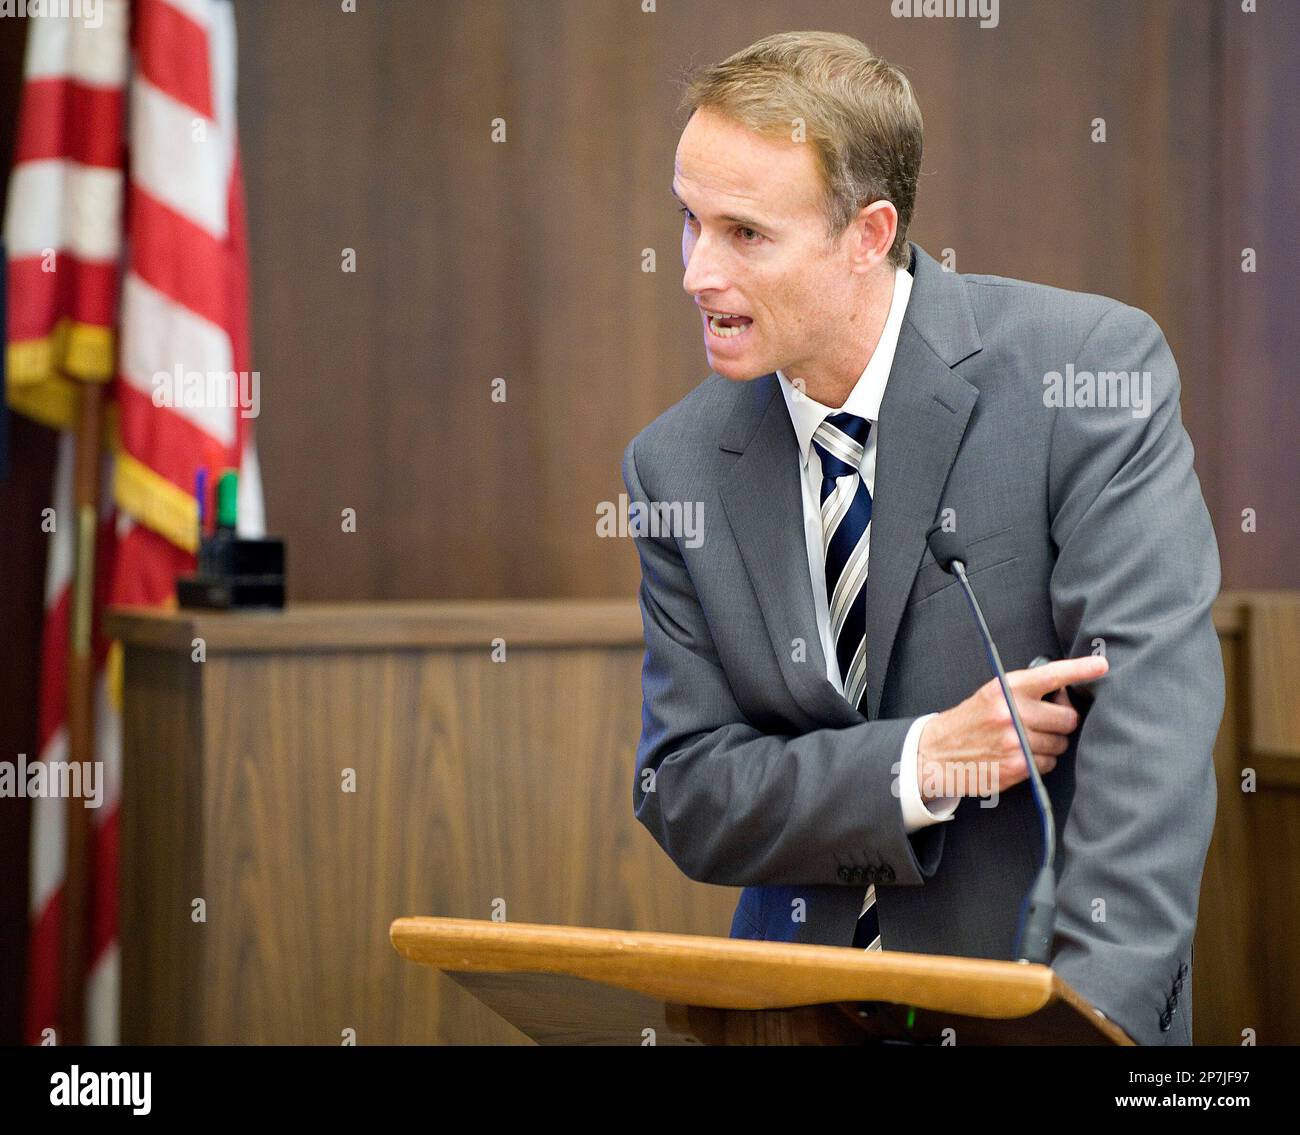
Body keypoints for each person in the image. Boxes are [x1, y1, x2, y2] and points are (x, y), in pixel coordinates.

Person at [621, 31, 1222, 1047]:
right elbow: (686, 788)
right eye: (689, 220)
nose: (696, 271)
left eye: (745, 233)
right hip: (790, 1020)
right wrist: (919, 762)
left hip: (1034, 1005)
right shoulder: (673, 464)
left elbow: (1151, 733)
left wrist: (1087, 1017)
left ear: (869, 233)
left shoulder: (1084, 374)